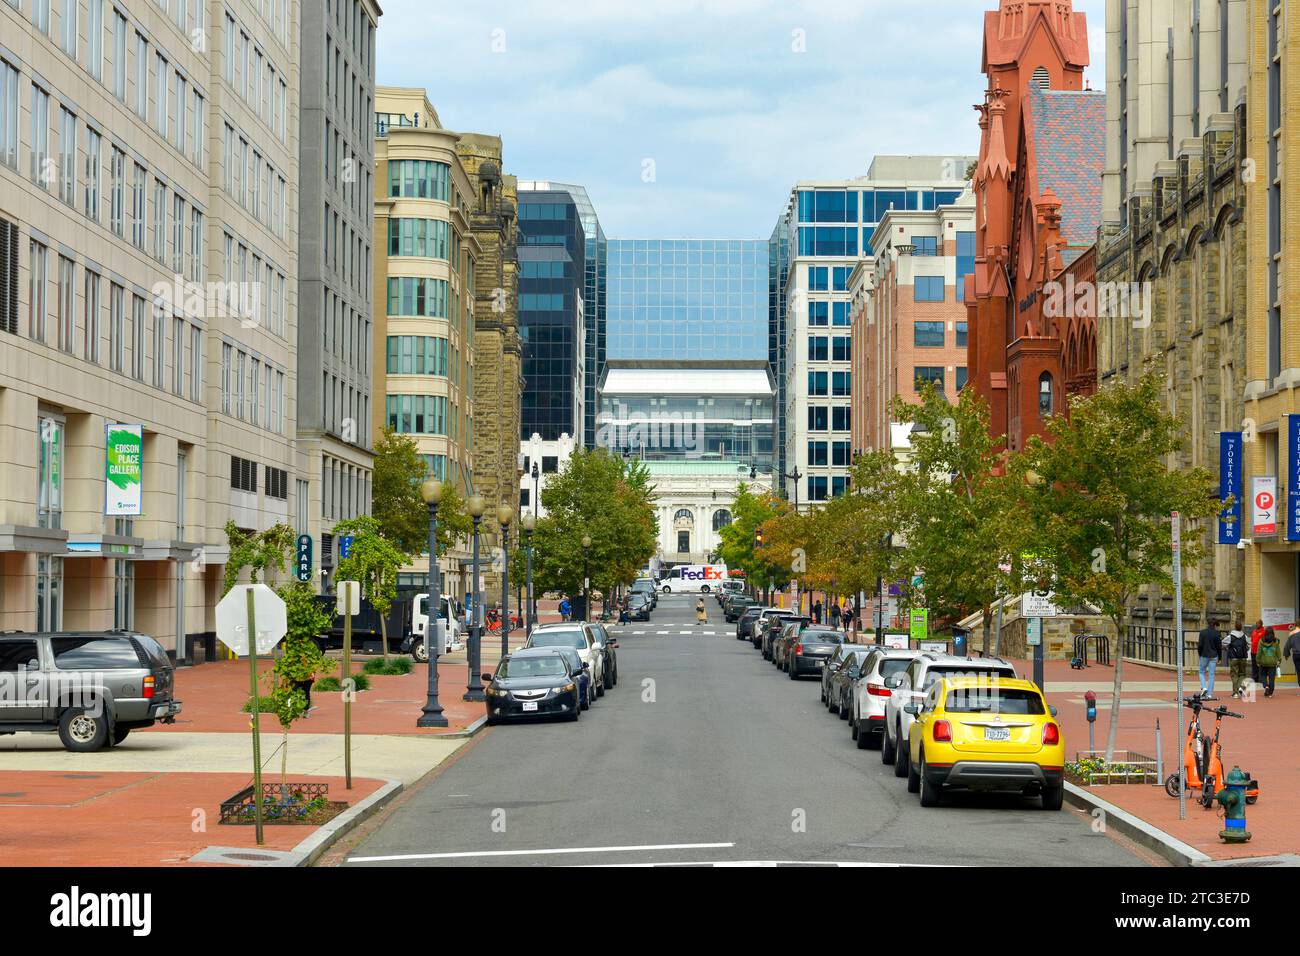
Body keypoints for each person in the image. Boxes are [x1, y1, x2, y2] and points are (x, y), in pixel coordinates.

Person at [1197, 621, 1222, 700]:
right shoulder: (1217, 634)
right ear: (1214, 625)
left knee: (1201, 671)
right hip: (1213, 655)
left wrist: (1200, 654)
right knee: (1211, 674)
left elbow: (1200, 645)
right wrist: (1220, 657)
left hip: (1204, 654)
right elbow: (1219, 647)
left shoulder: (1202, 632)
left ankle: (1204, 687)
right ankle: (1210, 694)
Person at [1226, 619, 1250, 699]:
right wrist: (1246, 649)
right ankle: (1240, 687)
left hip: (1233, 658)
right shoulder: (1245, 636)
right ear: (1241, 627)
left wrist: (1227, 648)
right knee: (1242, 674)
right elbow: (1249, 644)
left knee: (1234, 675)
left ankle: (1235, 693)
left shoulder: (1230, 636)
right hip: (1243, 658)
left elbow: (1222, 642)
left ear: (1235, 627)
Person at [1257, 627, 1283, 698]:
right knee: (1271, 678)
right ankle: (1270, 693)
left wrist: (1258, 660)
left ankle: (1266, 686)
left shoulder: (1261, 641)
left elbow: (1259, 652)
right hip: (1272, 663)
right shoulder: (1276, 641)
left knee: (1263, 675)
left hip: (1263, 662)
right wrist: (1279, 660)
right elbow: (1278, 652)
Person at [1250, 619, 1268, 684]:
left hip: (1260, 651)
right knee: (1254, 665)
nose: (1257, 624)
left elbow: (1265, 641)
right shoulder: (1254, 631)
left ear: (1261, 624)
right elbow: (1252, 640)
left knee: (1260, 665)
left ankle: (1261, 678)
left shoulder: (1264, 631)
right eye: (1256, 623)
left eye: (1258, 623)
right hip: (1253, 651)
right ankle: (1255, 677)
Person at [1285, 626, 1300, 694]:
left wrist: (1286, 654)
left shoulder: (1293, 634)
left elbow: (1288, 645)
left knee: (1299, 672)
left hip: (1296, 655)